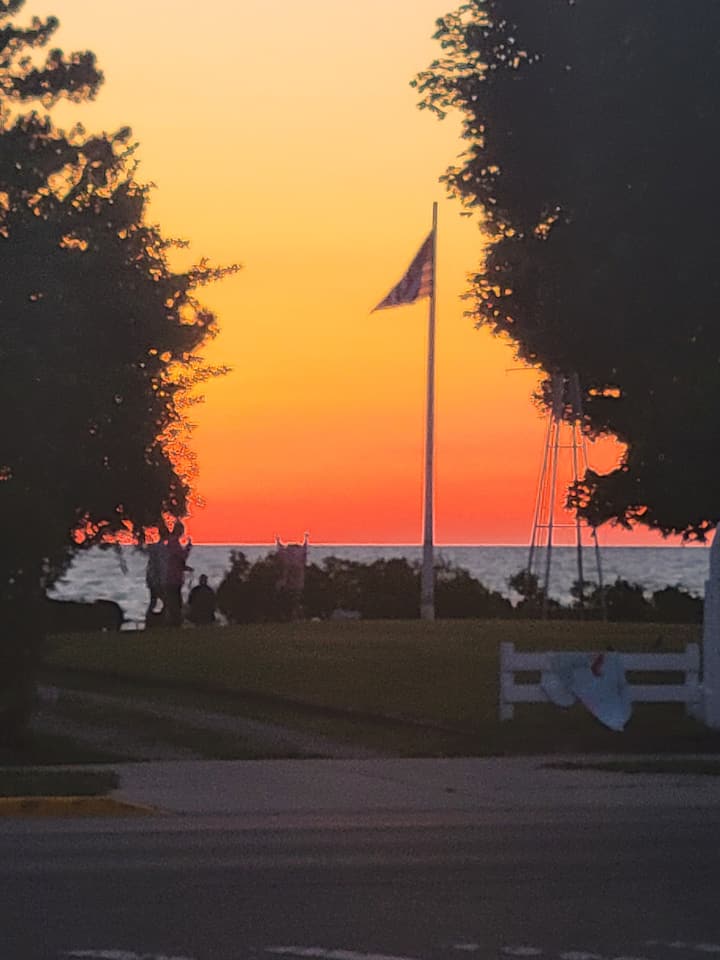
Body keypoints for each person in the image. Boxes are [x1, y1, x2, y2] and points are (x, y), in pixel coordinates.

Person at [163, 521, 192, 627]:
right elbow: (181, 556)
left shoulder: (171, 543)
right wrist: (188, 548)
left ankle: (173, 621)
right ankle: (174, 622)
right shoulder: (174, 542)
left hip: (173, 576)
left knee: (174, 600)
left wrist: (185, 567)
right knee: (175, 601)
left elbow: (176, 560)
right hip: (173, 578)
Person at [145, 524, 168, 625]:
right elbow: (159, 565)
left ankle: (151, 619)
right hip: (158, 579)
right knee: (163, 600)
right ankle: (158, 620)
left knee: (154, 600)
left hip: (153, 578)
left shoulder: (155, 547)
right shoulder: (162, 548)